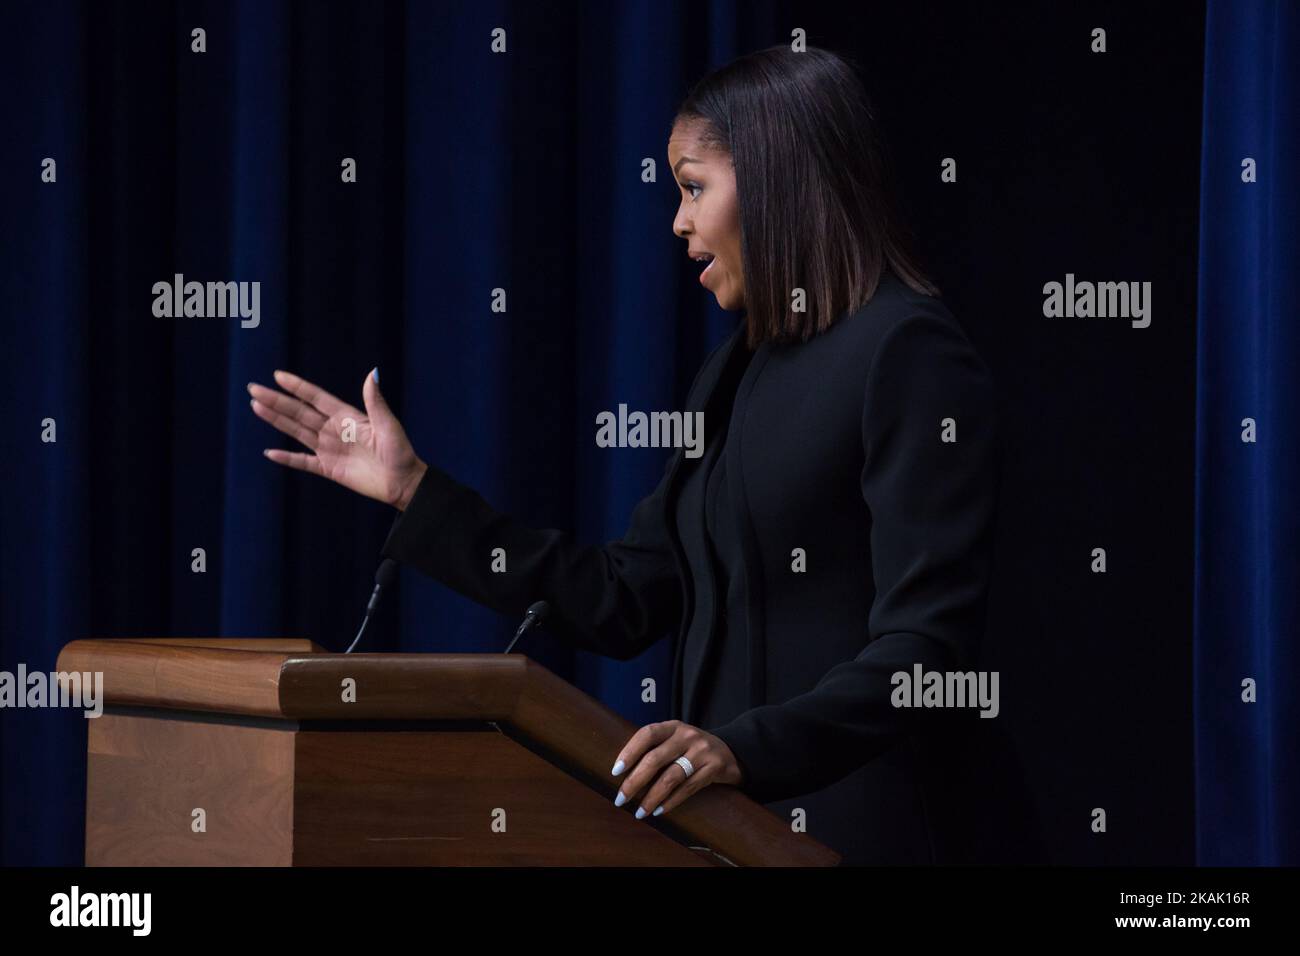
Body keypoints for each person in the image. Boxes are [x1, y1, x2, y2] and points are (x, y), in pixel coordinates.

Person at [247, 45, 999, 866]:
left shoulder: (908, 351)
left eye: (694, 187)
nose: (677, 221)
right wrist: (415, 493)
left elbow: (926, 653)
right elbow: (620, 598)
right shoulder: (733, 371)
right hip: (729, 840)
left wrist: (744, 749)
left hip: (871, 837)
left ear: (780, 178)